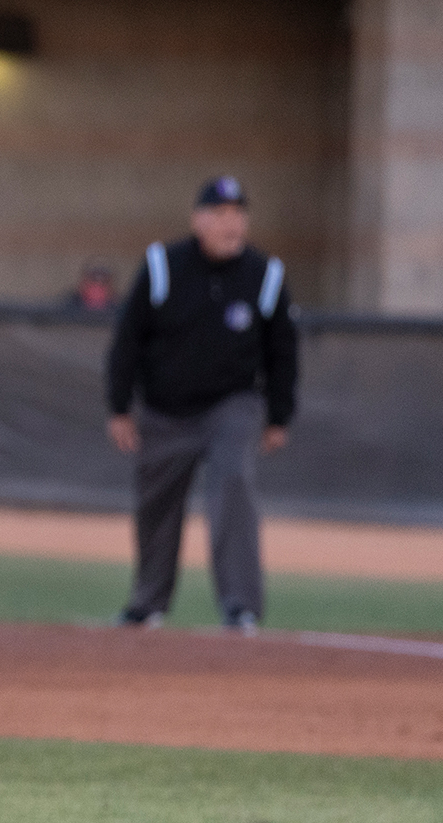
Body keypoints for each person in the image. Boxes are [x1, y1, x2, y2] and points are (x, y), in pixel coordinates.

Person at [105, 175, 299, 635]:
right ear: (199, 220)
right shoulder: (162, 266)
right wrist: (119, 406)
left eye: (239, 215)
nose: (232, 225)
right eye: (221, 215)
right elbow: (128, 339)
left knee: (233, 483)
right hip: (164, 409)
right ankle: (147, 603)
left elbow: (283, 351)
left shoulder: (264, 275)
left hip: (232, 406)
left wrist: (279, 415)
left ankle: (241, 606)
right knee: (156, 503)